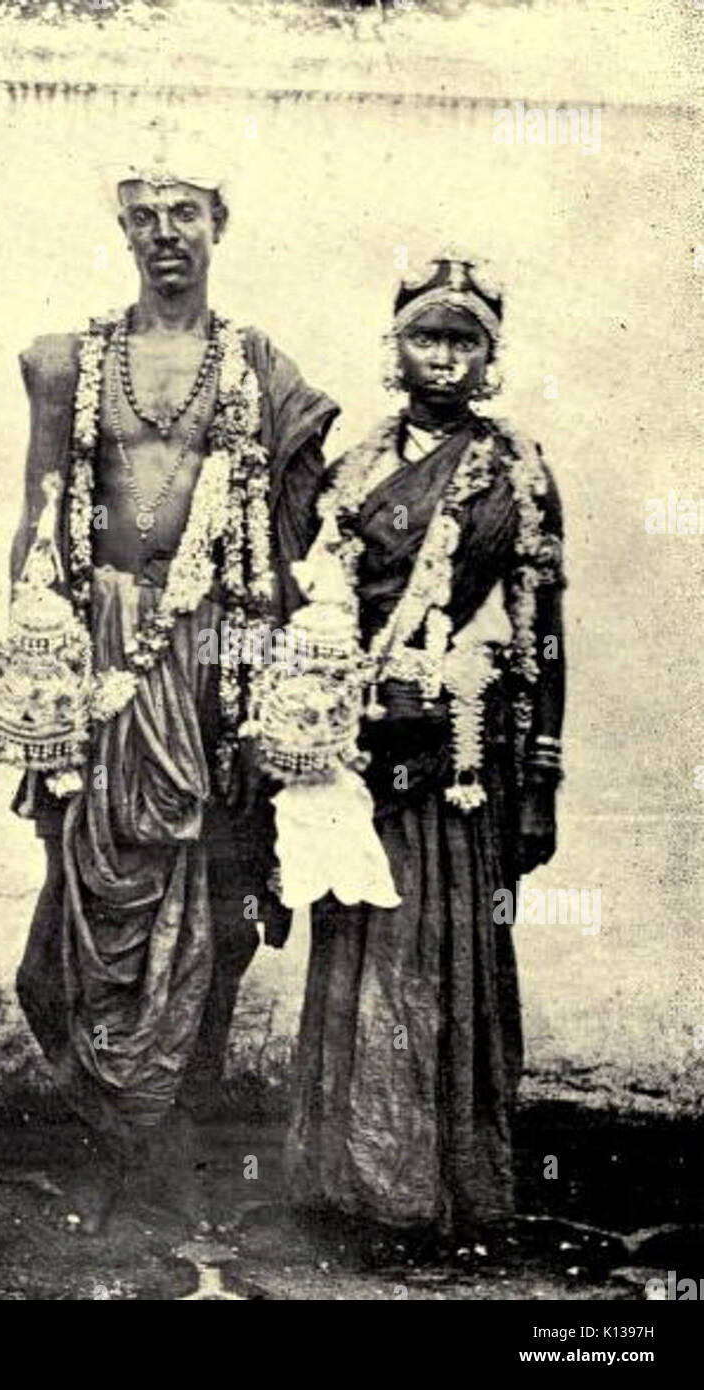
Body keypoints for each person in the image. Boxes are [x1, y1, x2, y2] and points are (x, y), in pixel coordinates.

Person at [0, 151, 338, 1227]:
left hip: (216, 659)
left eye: (187, 212)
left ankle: (178, 1145)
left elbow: (305, 517)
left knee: (219, 906)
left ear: (220, 224)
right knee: (82, 897)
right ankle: (114, 1137)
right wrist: (33, 659)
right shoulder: (67, 362)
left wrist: (284, 647)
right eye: (146, 215)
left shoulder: (262, 367)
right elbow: (37, 520)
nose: (166, 231)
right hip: (97, 660)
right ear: (125, 231)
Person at [284, 256, 566, 1241]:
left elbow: (541, 634)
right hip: (364, 758)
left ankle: (450, 1190)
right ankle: (361, 1185)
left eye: (463, 339)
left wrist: (541, 783)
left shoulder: (518, 471)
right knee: (365, 957)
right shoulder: (354, 470)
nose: (442, 356)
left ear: (488, 357)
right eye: (426, 336)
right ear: (394, 348)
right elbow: (318, 620)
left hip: (464, 764)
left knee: (449, 964)